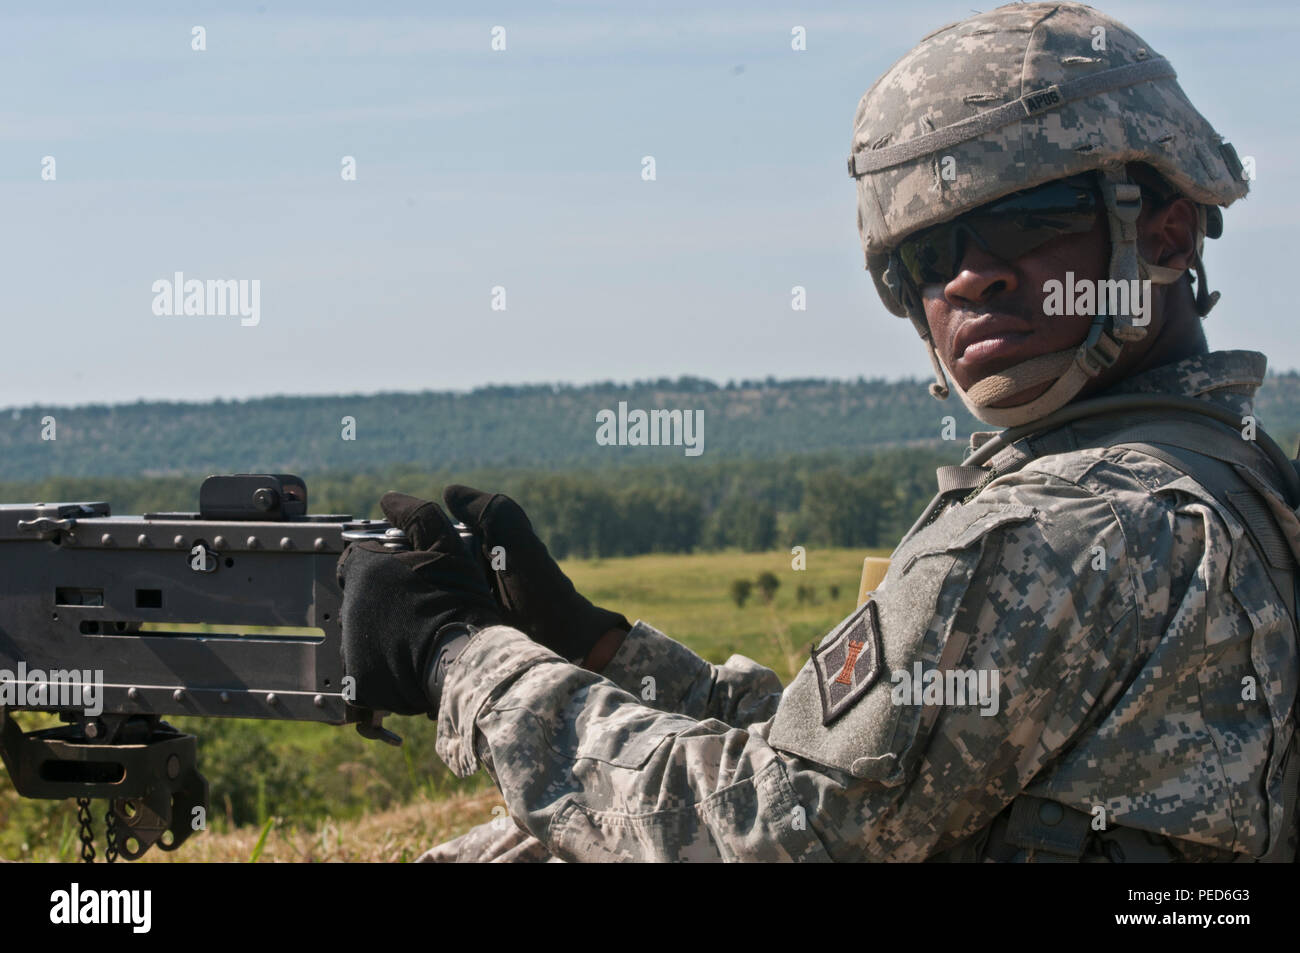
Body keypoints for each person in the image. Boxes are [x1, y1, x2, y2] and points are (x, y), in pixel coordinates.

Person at [337, 1, 1298, 862]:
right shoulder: (1225, 474)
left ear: (1165, 237)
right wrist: (599, 651)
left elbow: (761, 831)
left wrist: (461, 658)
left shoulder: (1053, 530)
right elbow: (860, 772)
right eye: (929, 249)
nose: (970, 277)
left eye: (1025, 219)